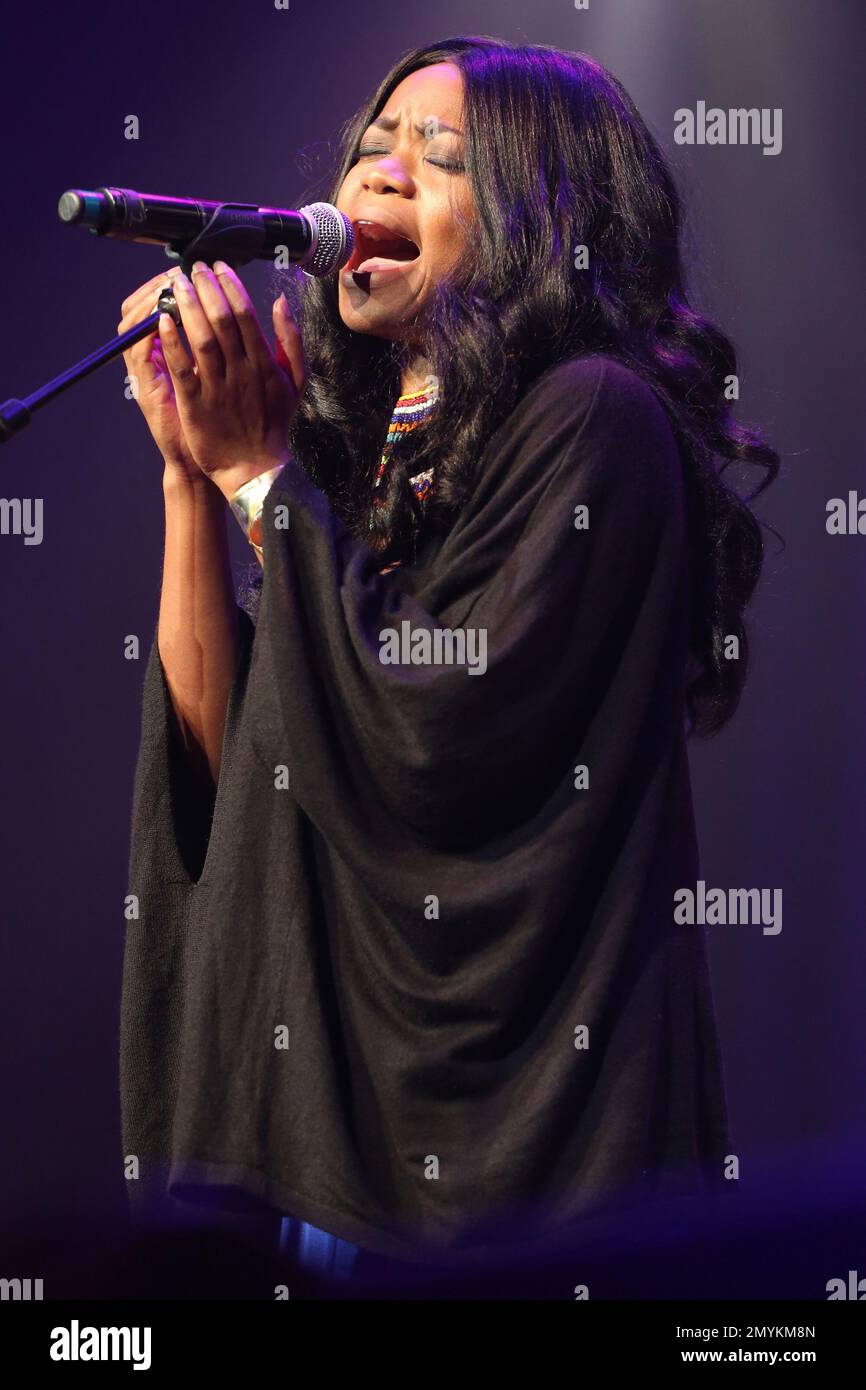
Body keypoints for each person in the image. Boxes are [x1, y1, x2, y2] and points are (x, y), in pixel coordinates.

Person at [116, 37, 779, 1289]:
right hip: (325, 1139)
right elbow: (230, 765)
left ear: (548, 213)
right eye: (372, 149)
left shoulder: (595, 417)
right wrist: (190, 472)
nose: (378, 176)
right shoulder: (349, 453)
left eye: (440, 158)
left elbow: (430, 728)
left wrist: (260, 473)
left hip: (511, 1178)